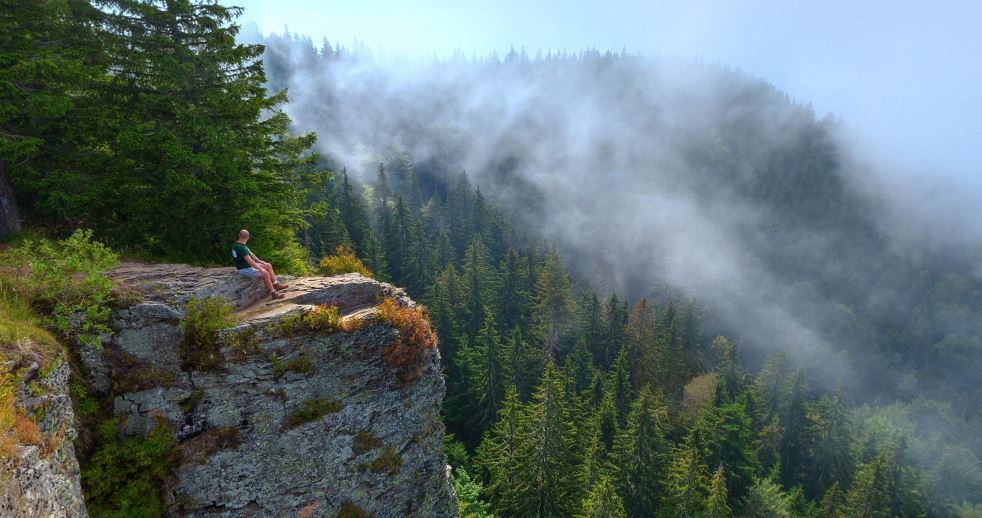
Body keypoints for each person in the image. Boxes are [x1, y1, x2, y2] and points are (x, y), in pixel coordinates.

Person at [232, 229, 288, 299]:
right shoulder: (240, 247)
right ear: (248, 238)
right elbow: (250, 262)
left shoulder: (239, 244)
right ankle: (273, 293)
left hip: (247, 266)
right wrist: (261, 269)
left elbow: (251, 254)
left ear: (239, 235)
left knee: (268, 265)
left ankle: (276, 285)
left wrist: (260, 261)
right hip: (245, 269)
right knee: (265, 273)